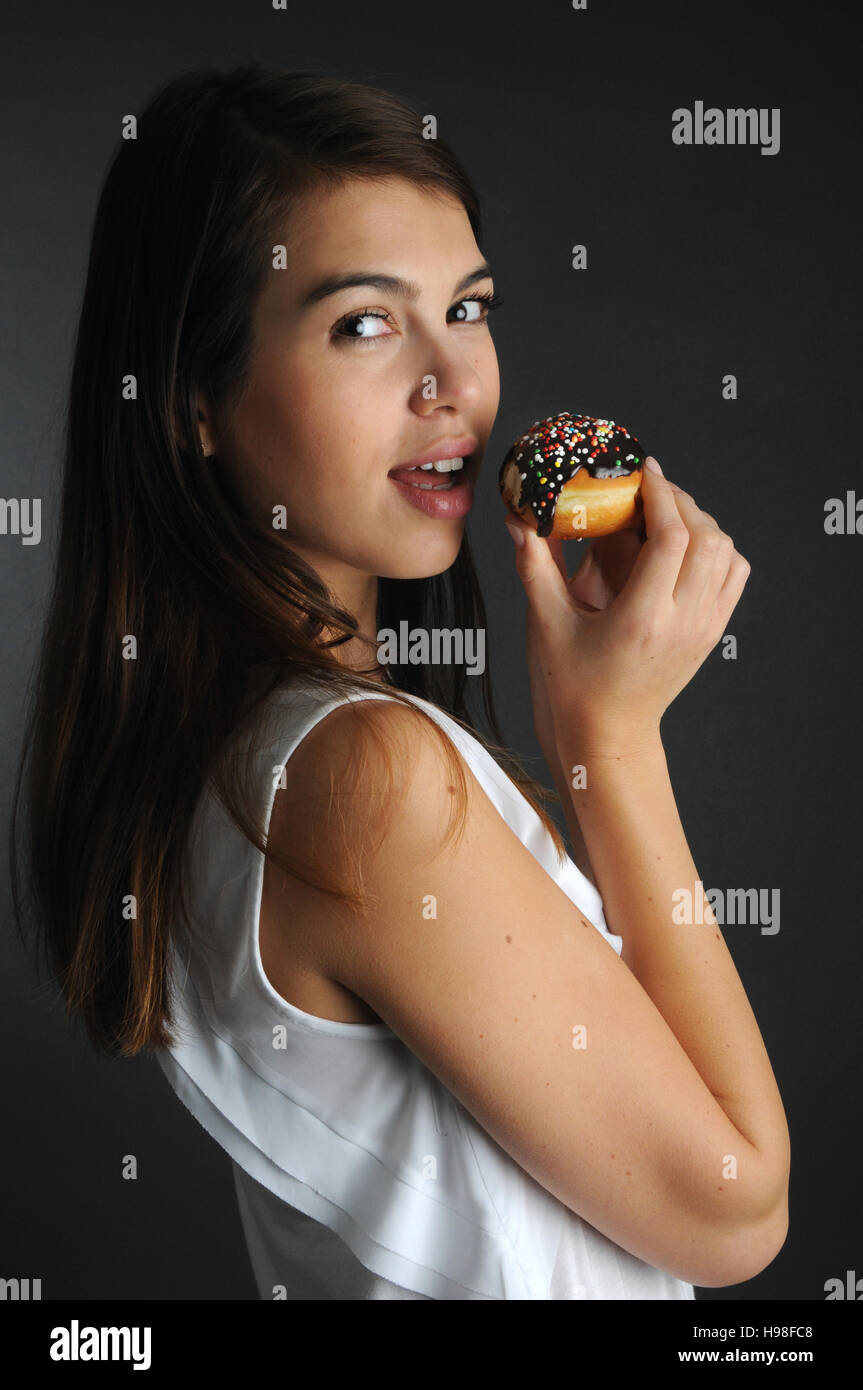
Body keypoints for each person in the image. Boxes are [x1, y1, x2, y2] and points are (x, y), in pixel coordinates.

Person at [10, 64, 790, 1300]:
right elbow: (733, 1207)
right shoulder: (360, 775)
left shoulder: (240, 752)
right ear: (192, 402)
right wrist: (612, 739)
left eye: (469, 309)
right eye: (363, 323)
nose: (452, 384)